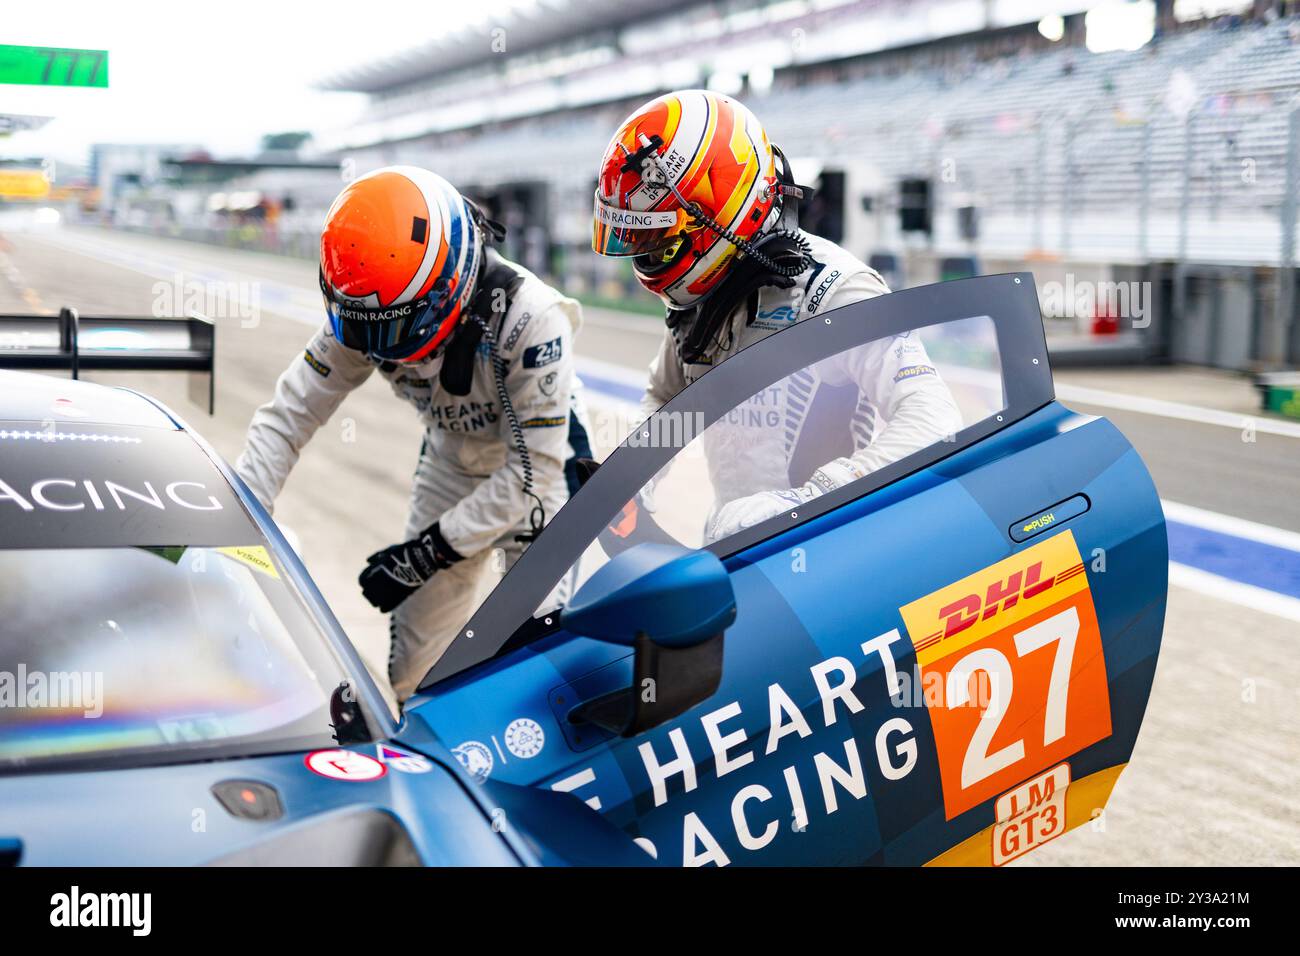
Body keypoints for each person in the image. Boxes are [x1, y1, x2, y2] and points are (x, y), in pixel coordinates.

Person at [236, 166, 590, 700]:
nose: (378, 345)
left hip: (538, 470)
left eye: (397, 326)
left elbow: (534, 474)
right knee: (412, 672)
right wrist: (238, 524)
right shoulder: (368, 305)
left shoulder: (533, 320)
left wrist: (429, 551)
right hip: (451, 461)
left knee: (537, 653)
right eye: (363, 330)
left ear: (450, 283)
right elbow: (287, 416)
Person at [590, 89, 961, 542]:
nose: (646, 253)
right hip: (740, 551)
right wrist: (631, 483)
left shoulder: (835, 288)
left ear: (720, 213)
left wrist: (803, 503)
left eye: (658, 238)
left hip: (834, 544)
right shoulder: (701, 297)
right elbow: (667, 399)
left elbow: (935, 420)